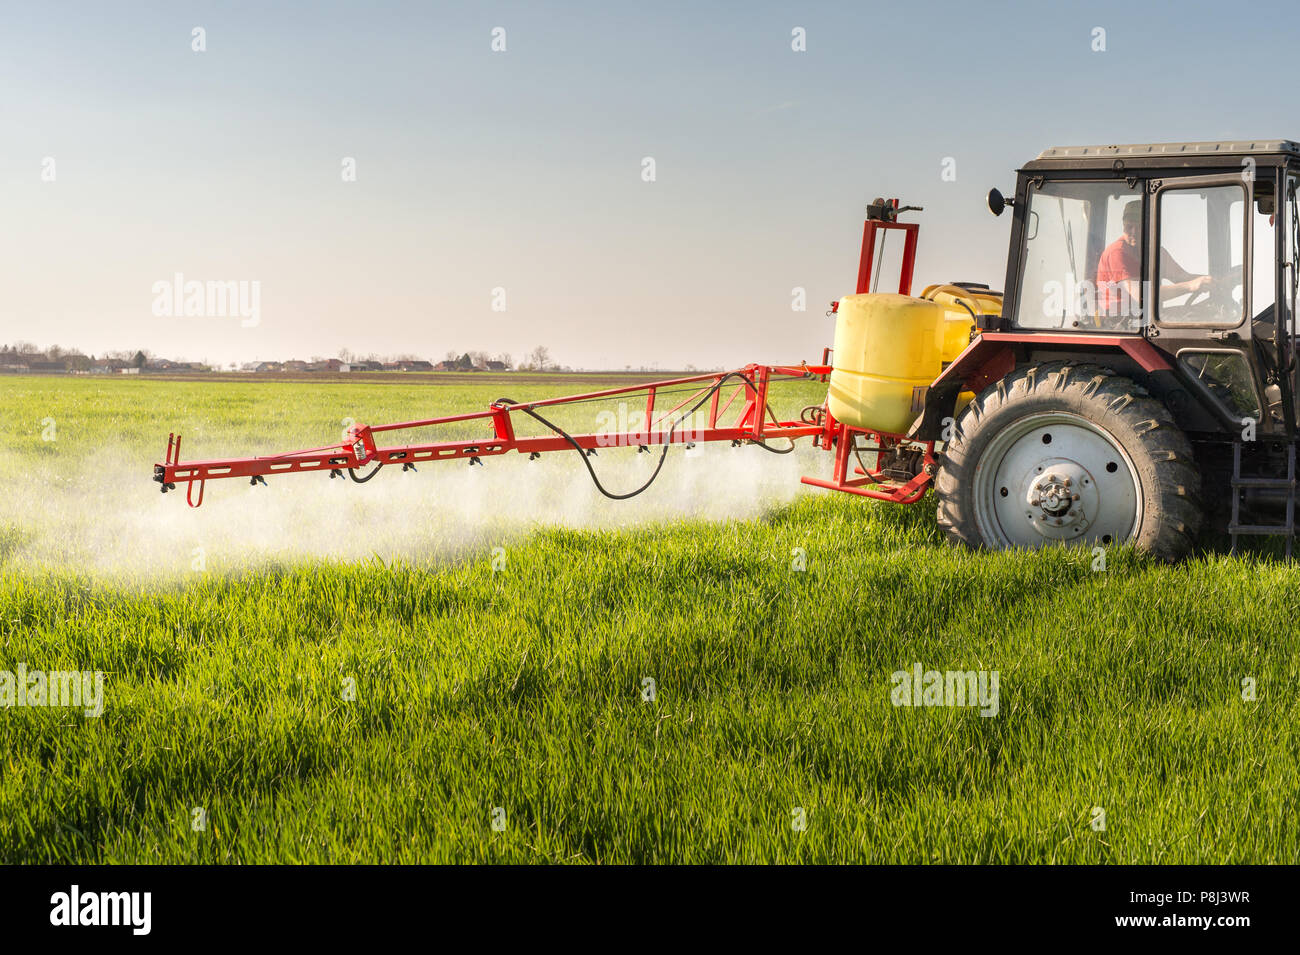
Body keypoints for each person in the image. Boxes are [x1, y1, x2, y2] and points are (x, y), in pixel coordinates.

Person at [1096, 199, 1213, 319]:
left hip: (1144, 316)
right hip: (1119, 321)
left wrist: (1212, 281)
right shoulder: (1118, 252)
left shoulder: (1156, 252)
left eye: (1139, 226)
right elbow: (1141, 294)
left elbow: (1183, 277)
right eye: (1129, 227)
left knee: (1203, 315)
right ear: (1123, 226)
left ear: (1150, 226)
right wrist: (1189, 286)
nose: (1134, 232)